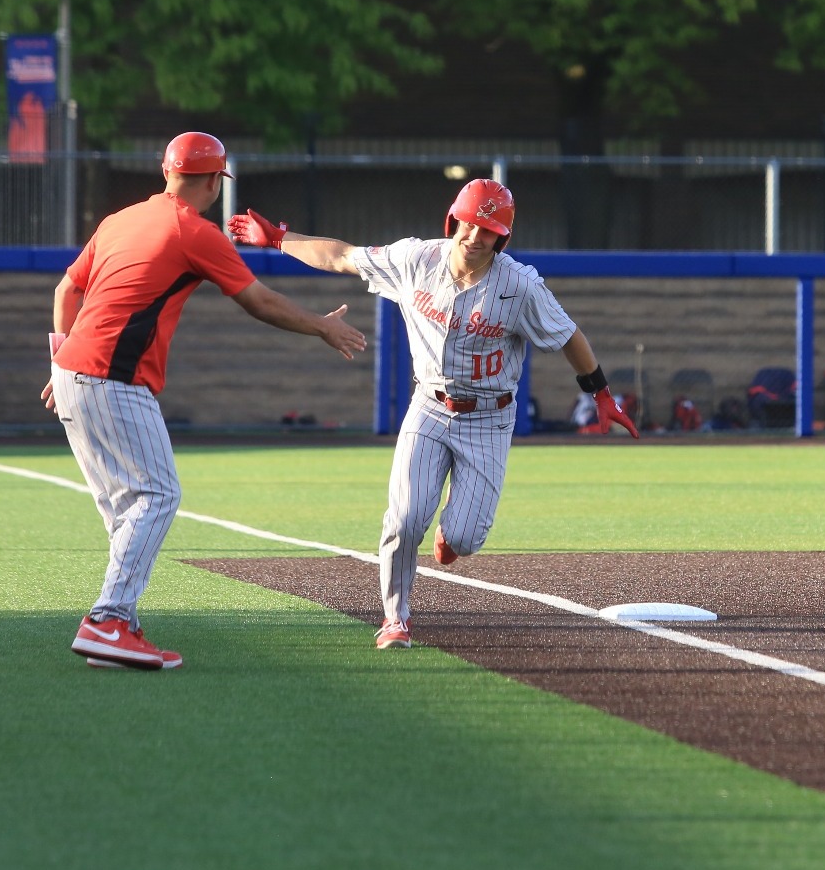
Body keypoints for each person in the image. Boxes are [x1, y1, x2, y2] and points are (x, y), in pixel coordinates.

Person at [228, 179, 639, 650]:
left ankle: (451, 536)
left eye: (489, 230)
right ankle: (395, 619)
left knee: (466, 537)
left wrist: (601, 394)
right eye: (470, 224)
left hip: (489, 419)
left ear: (502, 237)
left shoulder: (520, 286)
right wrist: (279, 238)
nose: (475, 236)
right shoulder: (415, 259)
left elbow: (568, 335)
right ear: (453, 221)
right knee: (404, 519)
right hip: (429, 407)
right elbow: (341, 255)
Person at [43, 132, 369, 670]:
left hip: (72, 369)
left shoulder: (120, 219)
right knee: (158, 495)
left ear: (166, 171)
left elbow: (65, 291)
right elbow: (259, 301)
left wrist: (61, 364)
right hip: (113, 377)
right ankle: (108, 621)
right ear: (216, 181)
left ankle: (118, 625)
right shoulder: (193, 230)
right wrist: (322, 327)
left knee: (126, 508)